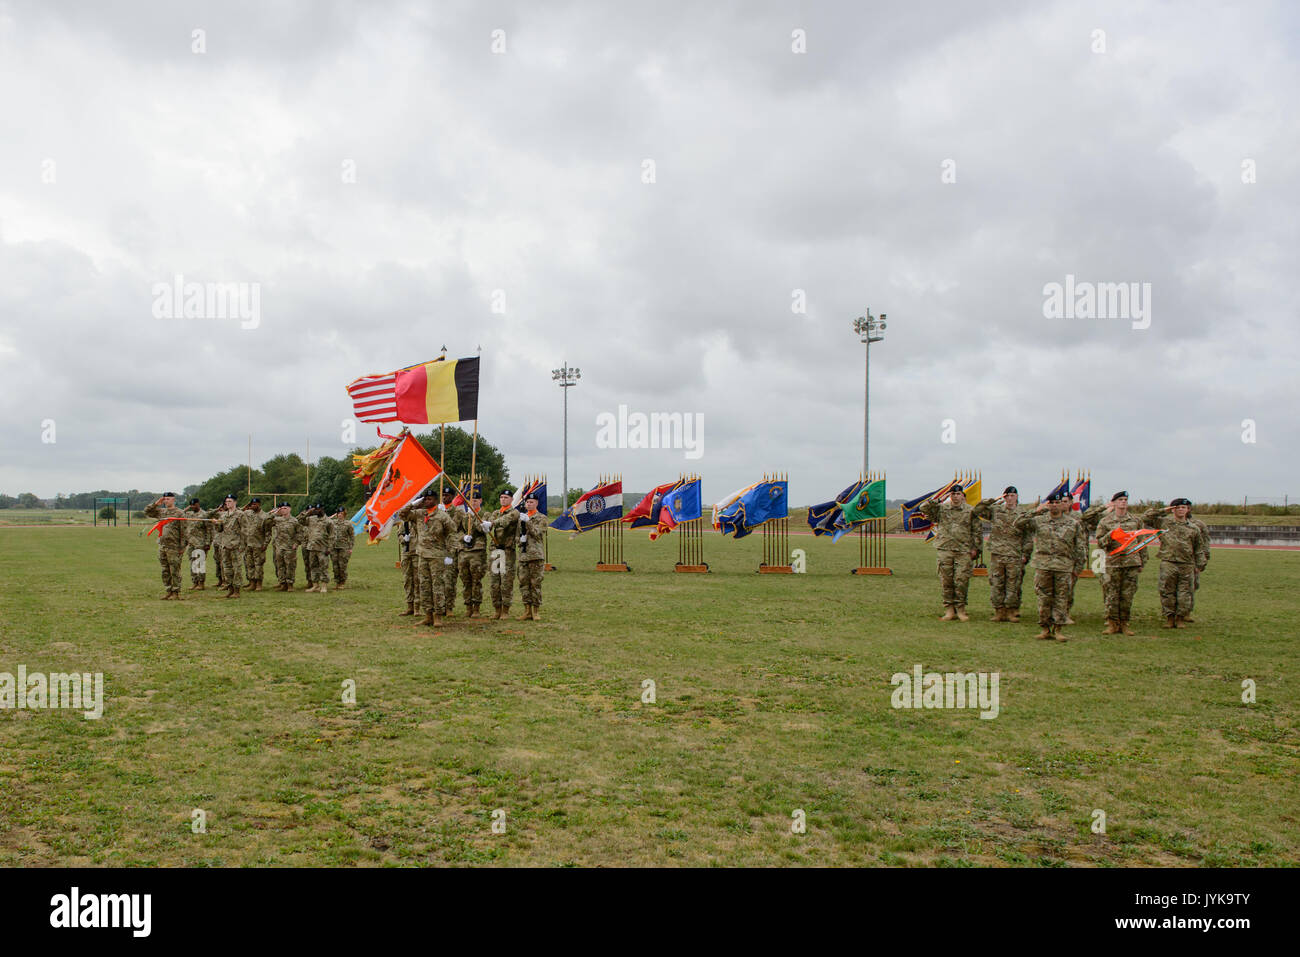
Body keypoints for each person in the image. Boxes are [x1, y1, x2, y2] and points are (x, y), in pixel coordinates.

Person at [1014, 493, 1087, 641]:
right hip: (1043, 565)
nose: (1054, 505)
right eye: (1051, 502)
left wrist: (1078, 568)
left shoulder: (1073, 523)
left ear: (1063, 504)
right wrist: (1036, 510)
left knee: (1061, 598)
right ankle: (1045, 628)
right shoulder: (1039, 520)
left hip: (1063, 566)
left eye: (1057, 502)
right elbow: (1018, 523)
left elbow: (1080, 547)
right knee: (1043, 598)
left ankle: (1058, 629)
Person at [1141, 497, 1209, 628]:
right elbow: (1146, 517)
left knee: (1185, 592)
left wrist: (1200, 565)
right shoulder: (1164, 523)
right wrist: (1164, 510)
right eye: (1178, 508)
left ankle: (1180, 618)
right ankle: (1169, 618)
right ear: (1173, 510)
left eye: (1183, 508)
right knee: (1167, 591)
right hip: (1169, 562)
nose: (1181, 510)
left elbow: (1198, 548)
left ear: (1187, 510)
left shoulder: (1194, 528)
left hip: (1187, 564)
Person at [919, 485, 982, 621]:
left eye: (958, 494)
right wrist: (939, 499)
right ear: (950, 495)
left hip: (963, 550)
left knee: (962, 581)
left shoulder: (971, 511)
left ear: (963, 496)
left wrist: (976, 549)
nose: (955, 496)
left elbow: (977, 531)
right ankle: (949, 610)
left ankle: (961, 609)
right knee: (946, 581)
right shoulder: (942, 509)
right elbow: (923, 508)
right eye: (953, 494)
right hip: (945, 549)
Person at [973, 486, 1034, 622]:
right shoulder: (996, 510)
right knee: (996, 582)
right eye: (1007, 496)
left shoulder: (1023, 513)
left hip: (1015, 554)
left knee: (1013, 584)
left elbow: (1028, 537)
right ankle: (999, 611)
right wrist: (992, 500)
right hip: (997, 553)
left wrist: (1026, 554)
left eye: (1012, 496)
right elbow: (977, 510)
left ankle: (1011, 611)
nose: (1010, 498)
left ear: (1017, 497)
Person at [1094, 491, 1145, 635]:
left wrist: (1142, 561)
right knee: (1111, 595)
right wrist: (1110, 535)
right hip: (1112, 563)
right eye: (1120, 500)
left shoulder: (1135, 520)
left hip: (1131, 562)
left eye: (1125, 500)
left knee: (1127, 595)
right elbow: (1100, 543)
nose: (1123, 502)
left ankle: (1124, 624)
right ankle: (1112, 623)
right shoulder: (1105, 522)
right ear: (1114, 503)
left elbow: (1142, 542)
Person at [143, 492, 188, 599]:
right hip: (162, 545)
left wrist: (182, 547)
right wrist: (156, 503)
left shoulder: (179, 513)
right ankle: (168, 590)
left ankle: (176, 592)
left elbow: (184, 531)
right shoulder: (161, 512)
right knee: (165, 570)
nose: (166, 501)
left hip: (174, 546)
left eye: (168, 499)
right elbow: (147, 512)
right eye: (165, 499)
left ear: (173, 500)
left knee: (174, 570)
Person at [455, 486, 490, 618]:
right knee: (465, 580)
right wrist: (462, 537)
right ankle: (468, 606)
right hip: (464, 551)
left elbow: (482, 529)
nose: (473, 502)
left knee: (476, 580)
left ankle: (476, 607)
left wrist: (474, 516)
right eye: (470, 500)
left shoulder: (484, 514)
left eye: (475, 500)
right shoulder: (464, 515)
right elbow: (456, 531)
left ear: (480, 501)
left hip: (477, 552)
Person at [488, 488, 522, 620]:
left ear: (511, 499)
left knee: (506, 582)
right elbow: (489, 525)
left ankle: (505, 610)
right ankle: (497, 609)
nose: (503, 499)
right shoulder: (495, 513)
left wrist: (491, 523)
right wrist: (486, 525)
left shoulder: (514, 512)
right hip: (495, 551)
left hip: (507, 551)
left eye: (506, 498)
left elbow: (504, 521)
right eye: (501, 497)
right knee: (494, 582)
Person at [205, 494, 246, 597]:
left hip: (235, 545)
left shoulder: (240, 514)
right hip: (225, 545)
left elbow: (245, 531)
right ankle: (230, 588)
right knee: (227, 569)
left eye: (230, 501)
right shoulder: (223, 515)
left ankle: (236, 590)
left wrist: (242, 545)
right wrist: (216, 523)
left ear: (235, 502)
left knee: (236, 568)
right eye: (226, 502)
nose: (228, 503)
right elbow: (220, 530)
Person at [517, 491, 549, 620]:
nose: (529, 504)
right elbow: (516, 535)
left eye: (531, 502)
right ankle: (527, 610)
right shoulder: (521, 518)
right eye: (527, 502)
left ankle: (536, 611)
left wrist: (528, 523)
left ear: (536, 503)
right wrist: (520, 540)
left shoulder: (542, 518)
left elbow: (538, 534)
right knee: (524, 583)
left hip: (536, 555)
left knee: (535, 583)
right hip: (523, 555)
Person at [297, 504, 335, 593]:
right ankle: (315, 585)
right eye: (315, 509)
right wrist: (307, 513)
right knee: (313, 567)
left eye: (318, 509)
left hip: (323, 548)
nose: (316, 511)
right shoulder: (311, 519)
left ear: (322, 509)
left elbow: (332, 536)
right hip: (312, 547)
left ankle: (324, 586)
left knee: (323, 567)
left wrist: (329, 548)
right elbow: (298, 520)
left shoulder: (328, 521)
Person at [1185, 507, 1212, 623]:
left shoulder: (1198, 524)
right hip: (1177, 559)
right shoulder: (1171, 523)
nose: (1183, 509)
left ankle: (1186, 612)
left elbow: (1205, 542)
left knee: (1191, 587)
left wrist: (1203, 560)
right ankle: (1172, 613)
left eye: (1185, 507)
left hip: (1193, 561)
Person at [266, 504, 301, 591]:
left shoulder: (294, 521)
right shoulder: (277, 520)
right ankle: (282, 584)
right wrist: (274, 513)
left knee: (290, 566)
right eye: (282, 509)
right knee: (280, 566)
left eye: (285, 508)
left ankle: (290, 584)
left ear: (290, 509)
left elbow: (300, 533)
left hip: (290, 547)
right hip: (279, 547)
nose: (283, 510)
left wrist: (296, 543)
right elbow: (266, 522)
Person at [184, 497, 213, 591]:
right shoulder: (189, 514)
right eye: (191, 505)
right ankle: (194, 582)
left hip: (201, 542)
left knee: (199, 563)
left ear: (198, 504)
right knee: (192, 563)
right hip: (191, 542)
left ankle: (201, 583)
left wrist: (208, 543)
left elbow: (209, 530)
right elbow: (180, 513)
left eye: (194, 505)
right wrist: (188, 508)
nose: (193, 507)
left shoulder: (204, 514)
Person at [240, 498, 269, 591]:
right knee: (250, 564)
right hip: (248, 543)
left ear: (259, 504)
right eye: (251, 504)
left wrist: (266, 544)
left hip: (259, 544)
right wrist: (246, 505)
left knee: (258, 565)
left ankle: (259, 584)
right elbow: (238, 512)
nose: (253, 506)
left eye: (255, 504)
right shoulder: (248, 513)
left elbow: (268, 532)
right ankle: (252, 583)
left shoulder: (265, 516)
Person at [330, 507, 355, 589]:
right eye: (338, 513)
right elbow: (325, 521)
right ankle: (337, 582)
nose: (339, 515)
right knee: (335, 565)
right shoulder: (333, 523)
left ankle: (342, 582)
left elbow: (351, 536)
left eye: (341, 513)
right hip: (334, 547)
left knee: (342, 565)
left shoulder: (348, 524)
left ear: (344, 514)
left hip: (344, 547)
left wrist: (350, 548)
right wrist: (332, 516)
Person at [399, 515, 417, 616]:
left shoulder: (420, 520)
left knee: (418, 580)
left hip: (418, 553)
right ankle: (410, 606)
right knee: (407, 580)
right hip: (406, 553)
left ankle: (418, 607)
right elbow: (399, 535)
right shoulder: (404, 522)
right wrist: (404, 539)